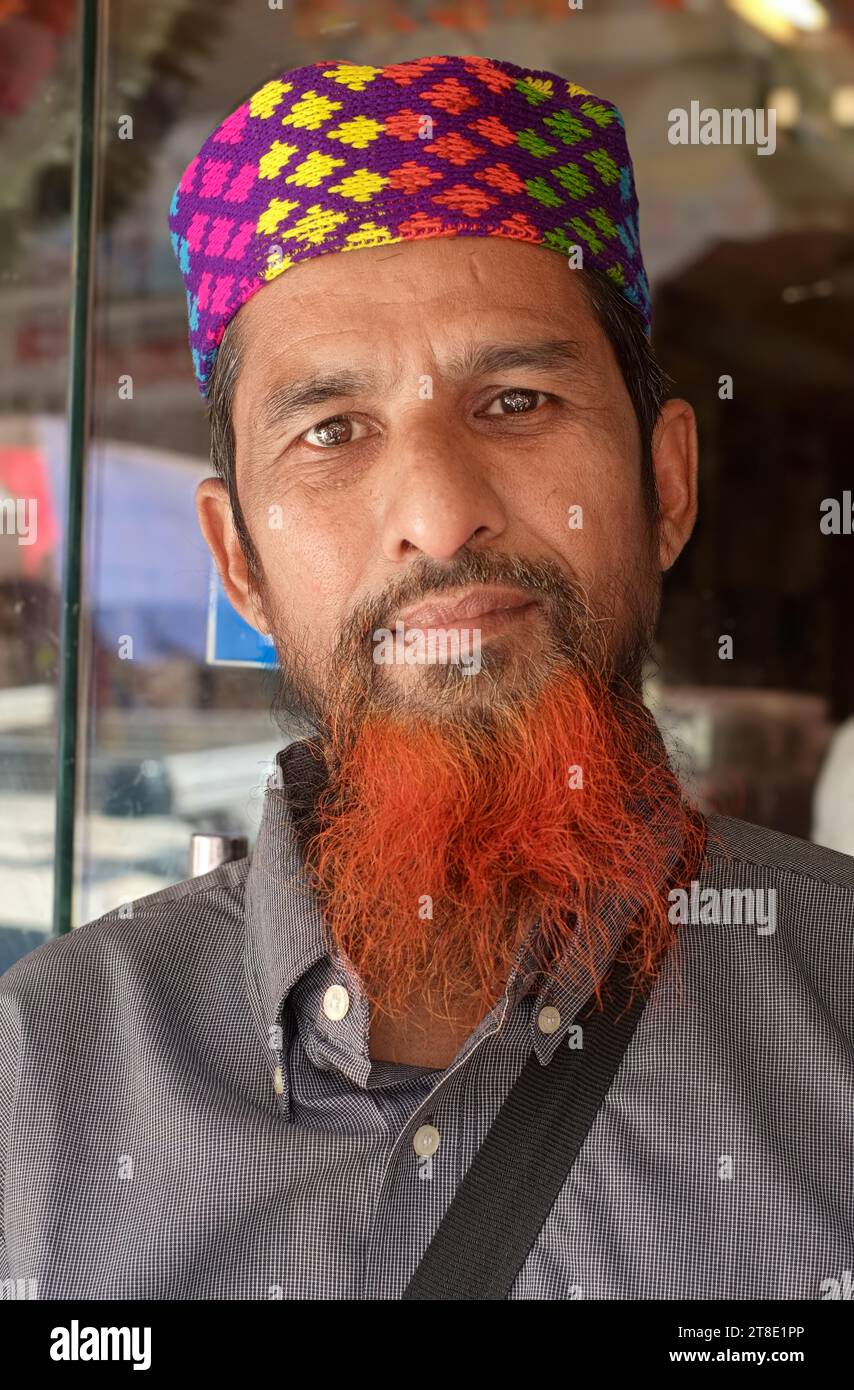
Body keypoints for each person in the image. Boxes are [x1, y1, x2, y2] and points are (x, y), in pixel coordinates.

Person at [1, 54, 852, 1301]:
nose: (441, 515)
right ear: (236, 560)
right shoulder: (40, 1081)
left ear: (665, 488)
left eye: (514, 399)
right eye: (331, 433)